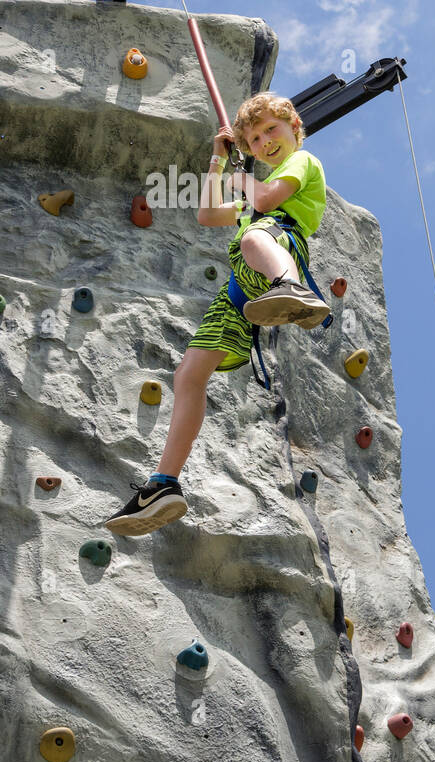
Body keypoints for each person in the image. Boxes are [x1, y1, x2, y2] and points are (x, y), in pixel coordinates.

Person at [105, 92, 329, 537]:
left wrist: (242, 177)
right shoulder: (249, 182)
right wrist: (217, 161)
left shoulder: (303, 163)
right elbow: (207, 215)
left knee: (252, 239)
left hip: (279, 247)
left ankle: (292, 289)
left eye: (271, 130)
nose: (265, 142)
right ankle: (163, 484)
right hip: (241, 291)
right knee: (189, 373)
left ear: (294, 128)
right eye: (254, 138)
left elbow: (265, 201)